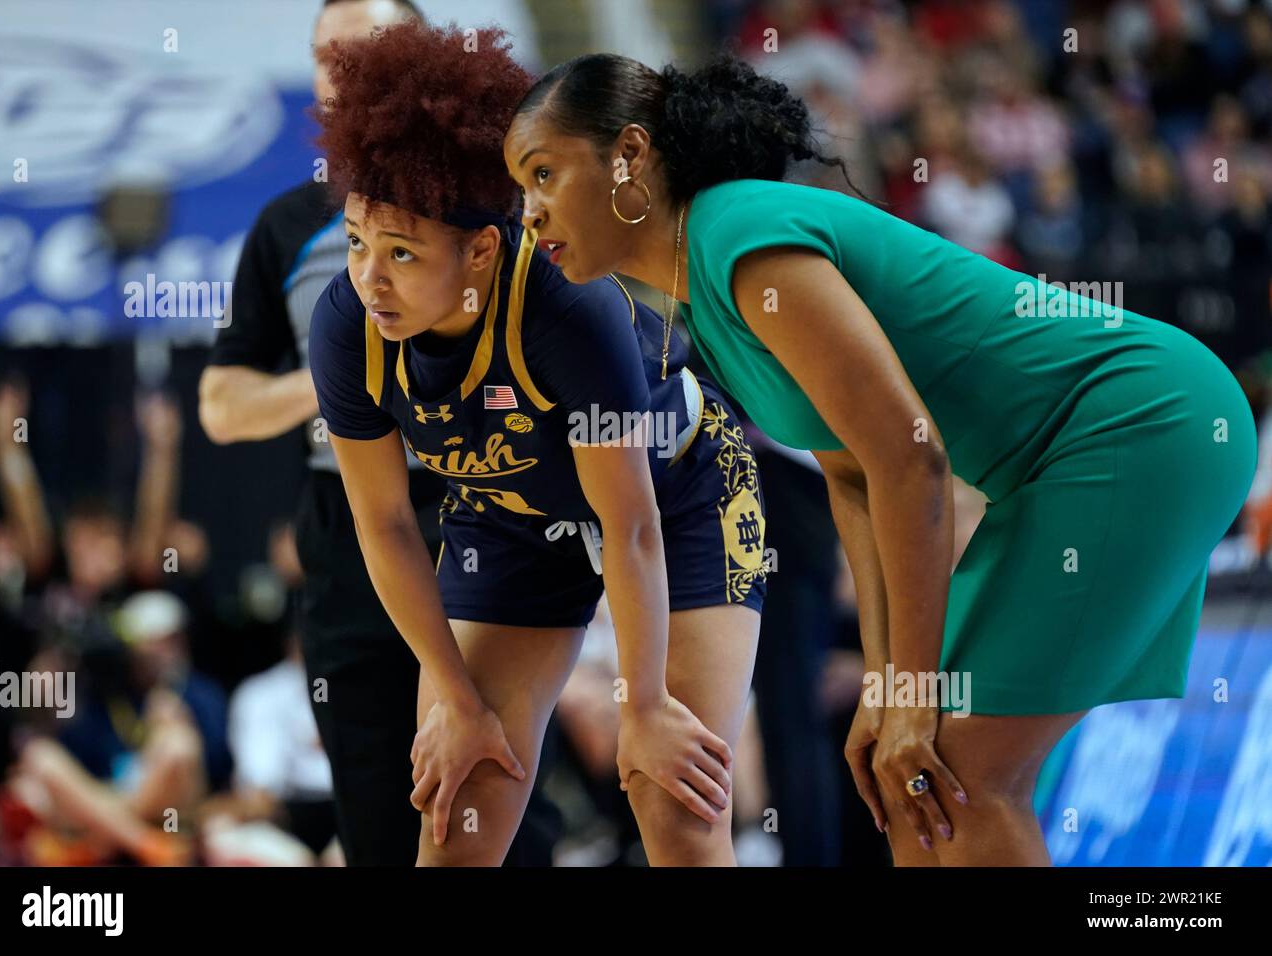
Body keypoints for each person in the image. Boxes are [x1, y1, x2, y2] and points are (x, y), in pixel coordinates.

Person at [503, 53, 1259, 866]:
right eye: (520, 186)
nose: (531, 211)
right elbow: (853, 480)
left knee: (959, 771)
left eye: (544, 173)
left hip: (1143, 423)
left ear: (630, 156)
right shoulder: (705, 302)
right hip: (1064, 461)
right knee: (913, 783)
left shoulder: (740, 234)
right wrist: (886, 682)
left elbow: (910, 459)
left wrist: (917, 690)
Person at [309, 22, 768, 866]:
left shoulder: (563, 310)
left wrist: (644, 708)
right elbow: (385, 524)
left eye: (402, 253)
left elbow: (628, 526)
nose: (369, 277)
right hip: (513, 521)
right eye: (355, 241)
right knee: (457, 813)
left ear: (482, 250)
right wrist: (455, 697)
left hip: (679, 500)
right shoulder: (347, 327)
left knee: (675, 807)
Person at [199, 0, 557, 865]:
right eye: (326, 56)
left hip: (487, 517)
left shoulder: (491, 209)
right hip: (353, 529)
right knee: (377, 811)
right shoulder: (292, 231)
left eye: (367, 54)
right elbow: (218, 405)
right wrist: (333, 385)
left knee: (496, 804)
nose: (342, 74)